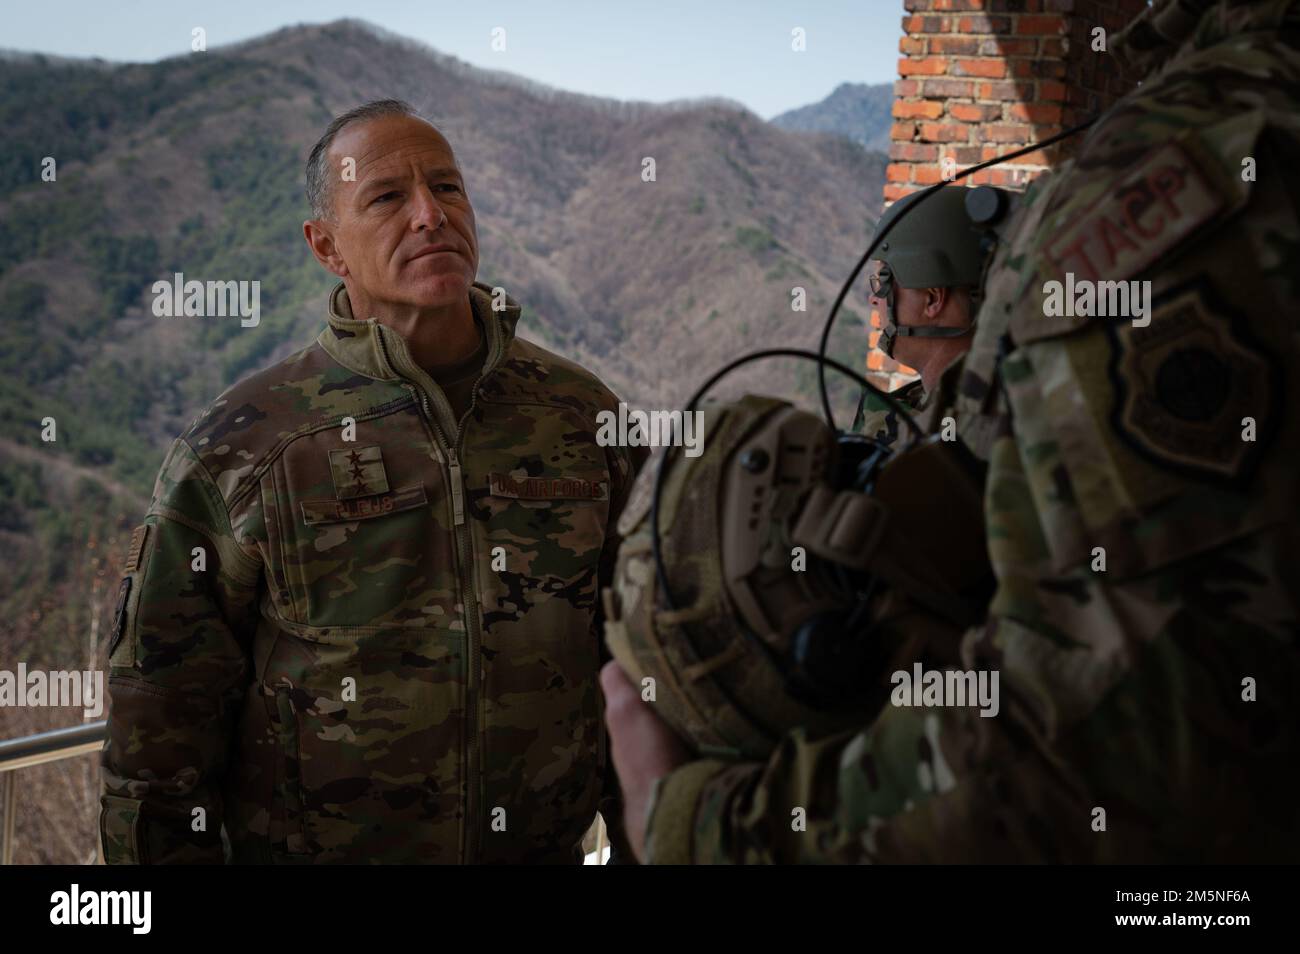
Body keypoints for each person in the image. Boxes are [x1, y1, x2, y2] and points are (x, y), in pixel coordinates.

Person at [601, 0, 1300, 863]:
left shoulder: (1204, 142)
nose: (879, 308)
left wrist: (703, 831)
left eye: (889, 289)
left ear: (928, 298)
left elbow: (1114, 742)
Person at [100, 99, 644, 864]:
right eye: (388, 197)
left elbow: (642, 661)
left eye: (448, 189)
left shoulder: (579, 416)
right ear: (327, 246)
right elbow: (158, 724)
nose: (430, 215)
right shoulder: (248, 442)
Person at [851, 184, 990, 441]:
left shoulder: (980, 433)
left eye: (884, 281)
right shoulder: (900, 415)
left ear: (932, 300)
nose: (874, 298)